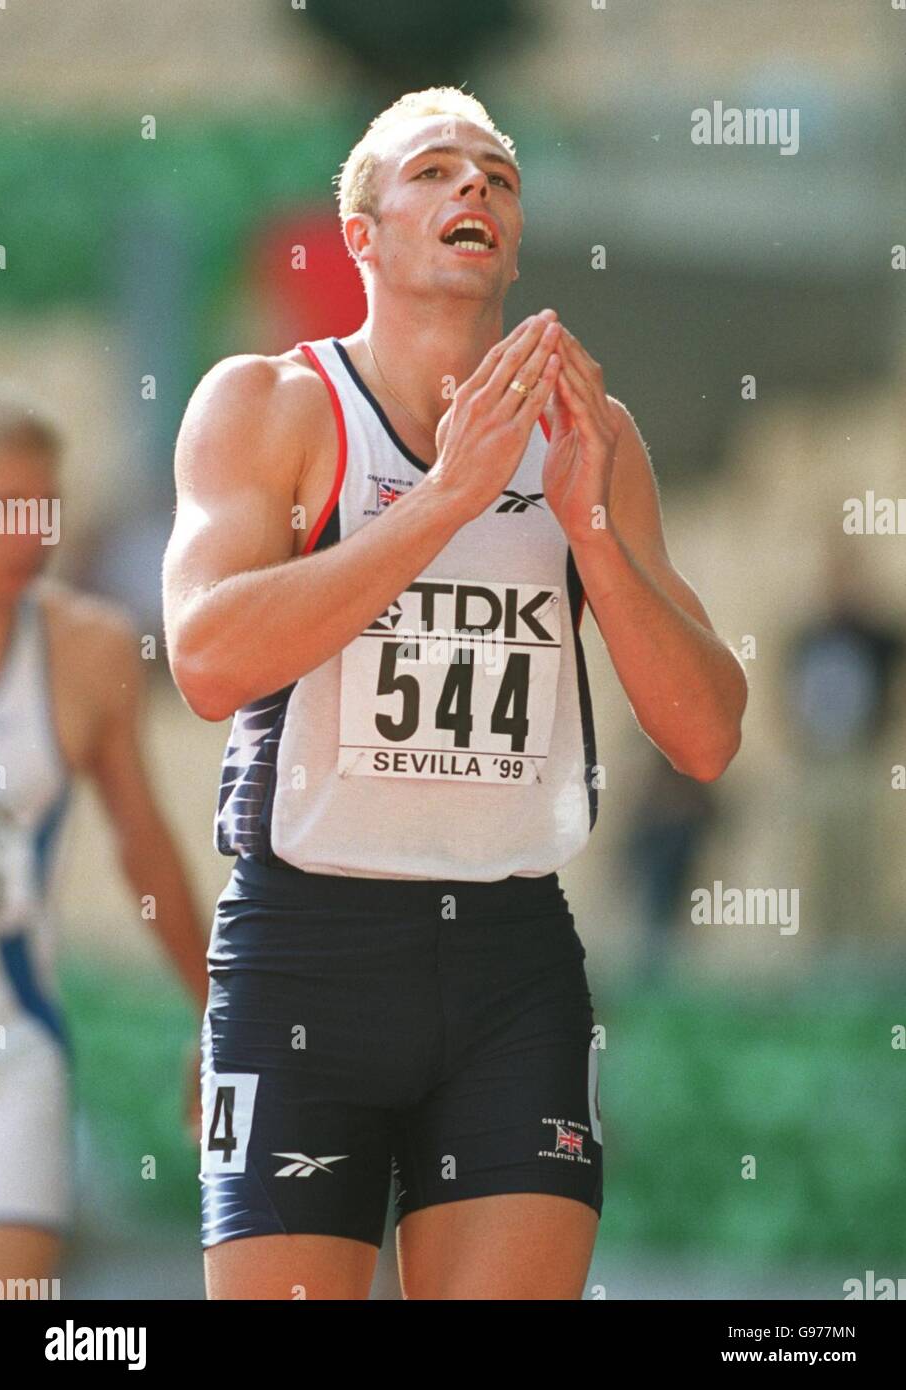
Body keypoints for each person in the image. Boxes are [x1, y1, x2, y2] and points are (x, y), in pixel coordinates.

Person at [163, 87, 747, 1301]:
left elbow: (704, 733)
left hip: (507, 960)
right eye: (433, 170)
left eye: (497, 176)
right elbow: (207, 662)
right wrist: (443, 500)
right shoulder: (270, 404)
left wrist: (588, 527)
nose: (473, 184)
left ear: (513, 243)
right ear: (362, 235)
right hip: (303, 950)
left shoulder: (590, 435)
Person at [0, 389, 208, 1285]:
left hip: (15, 1041)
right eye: (6, 507)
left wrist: (217, 1010)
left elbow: (142, 843)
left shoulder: (89, 649)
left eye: (43, 506)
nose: (30, 534)